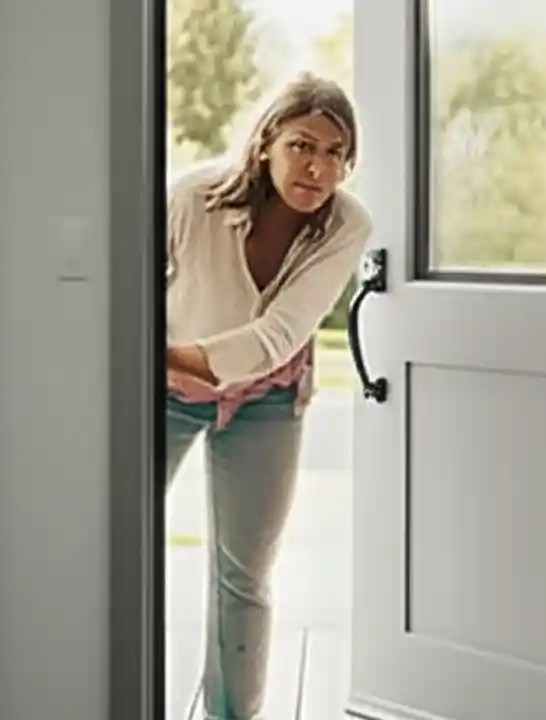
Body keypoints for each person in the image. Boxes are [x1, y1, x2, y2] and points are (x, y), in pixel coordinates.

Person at [163, 72, 371, 720]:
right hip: (165, 394)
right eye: (302, 145)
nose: (318, 167)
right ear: (265, 146)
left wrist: (149, 356)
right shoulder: (191, 197)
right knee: (116, 545)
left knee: (244, 574)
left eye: (335, 153)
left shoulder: (346, 224)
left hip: (268, 401)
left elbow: (279, 336)